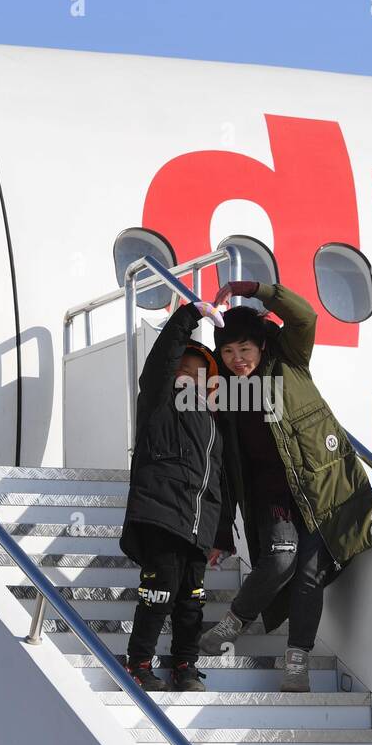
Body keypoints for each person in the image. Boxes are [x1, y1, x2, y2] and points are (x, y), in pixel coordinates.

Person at [199, 278, 372, 692]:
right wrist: (221, 532)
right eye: (228, 352)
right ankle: (233, 622)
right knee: (280, 562)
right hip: (272, 498)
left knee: (308, 575)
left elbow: (304, 317)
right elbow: (226, 469)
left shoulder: (289, 361)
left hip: (321, 489)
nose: (237, 360)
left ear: (261, 347)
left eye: (245, 350)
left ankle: (296, 662)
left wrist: (256, 289)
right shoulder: (224, 394)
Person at [120, 296, 229, 692]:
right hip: (161, 515)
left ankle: (185, 664)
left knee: (191, 601)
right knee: (159, 590)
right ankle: (139, 663)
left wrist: (221, 535)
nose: (188, 375)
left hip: (198, 526)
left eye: (197, 373)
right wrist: (189, 315)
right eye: (182, 368)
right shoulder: (158, 401)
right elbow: (158, 366)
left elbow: (218, 483)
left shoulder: (214, 426)